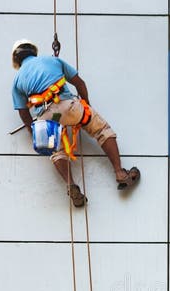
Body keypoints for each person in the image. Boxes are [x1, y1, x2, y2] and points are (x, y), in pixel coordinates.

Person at [11, 39, 140, 207]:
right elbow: (79, 83)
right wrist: (86, 105)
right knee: (101, 129)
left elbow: (23, 112)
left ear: (16, 60)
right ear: (33, 51)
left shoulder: (17, 80)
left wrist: (34, 132)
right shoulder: (52, 61)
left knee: (56, 151)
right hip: (69, 106)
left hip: (48, 118)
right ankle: (120, 173)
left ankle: (71, 185)